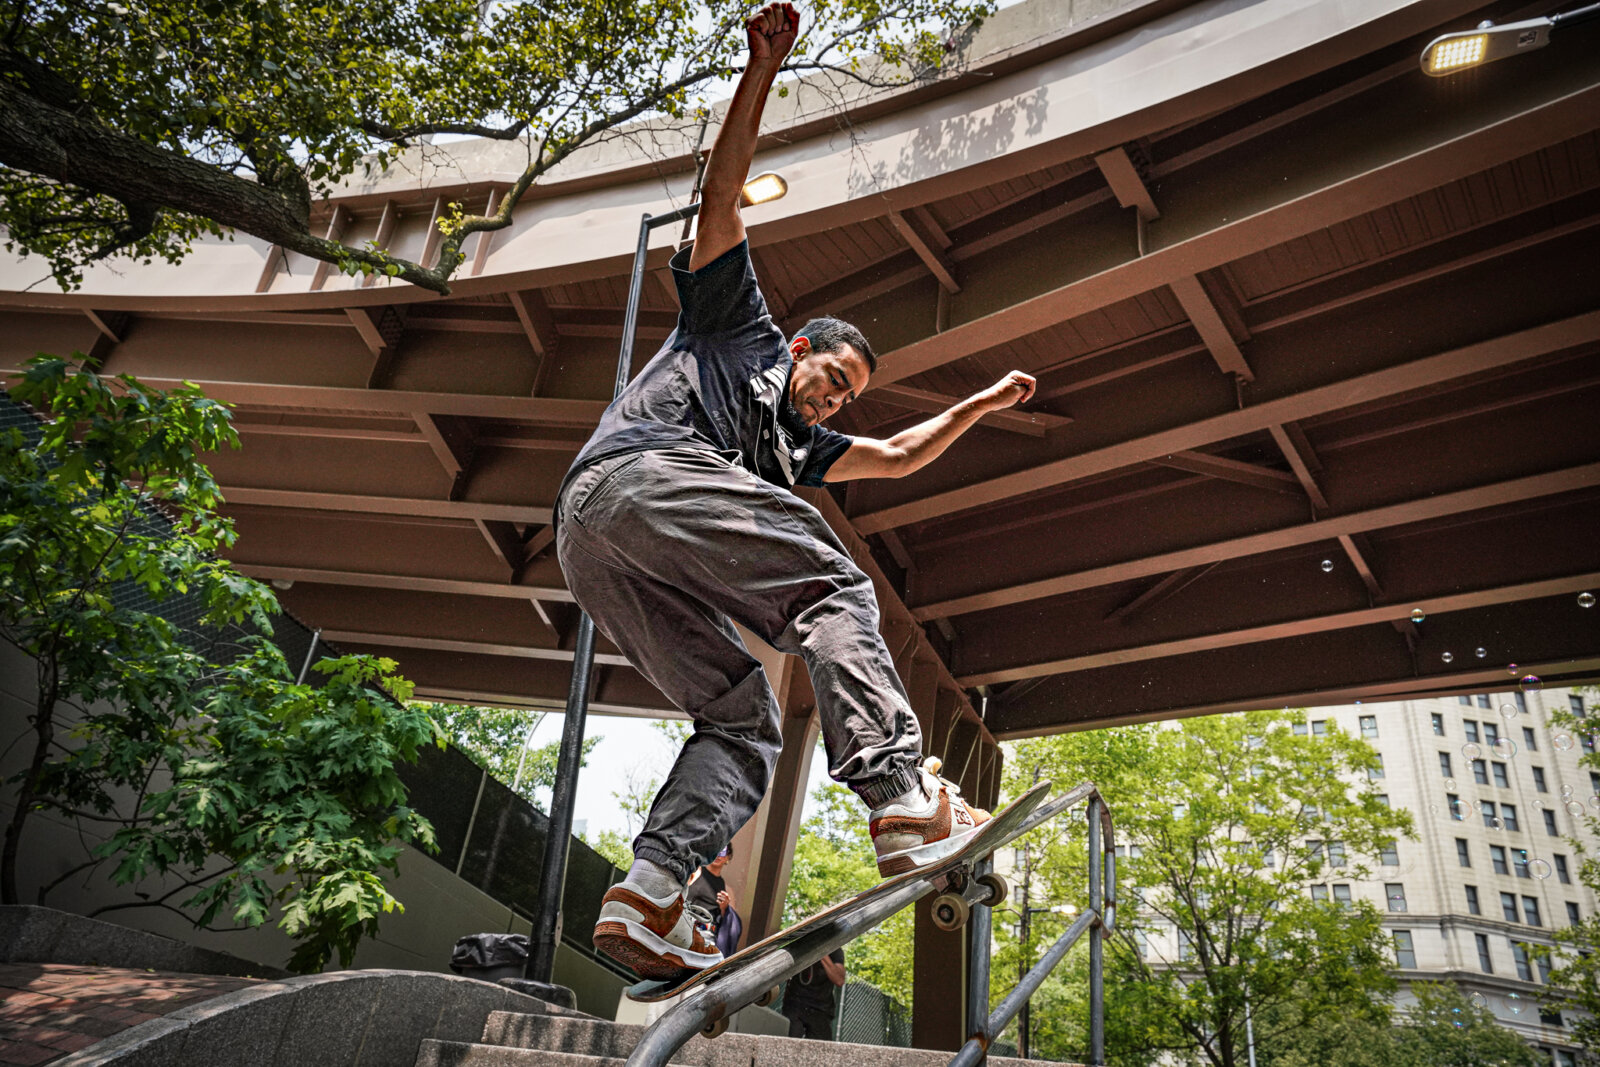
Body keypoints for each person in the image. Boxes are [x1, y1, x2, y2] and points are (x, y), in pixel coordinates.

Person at [561, 1, 1037, 980]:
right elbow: (724, 197)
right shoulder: (743, 328)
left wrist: (978, 405)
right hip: (642, 468)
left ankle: (653, 888)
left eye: (848, 396)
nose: (833, 399)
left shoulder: (792, 447)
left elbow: (898, 455)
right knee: (834, 585)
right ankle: (902, 795)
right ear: (806, 350)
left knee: (743, 718)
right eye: (833, 379)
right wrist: (761, 72)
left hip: (598, 543)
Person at [686, 844, 742, 957]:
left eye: (723, 852)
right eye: (716, 850)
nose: (718, 855)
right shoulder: (696, 871)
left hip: (707, 936)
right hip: (686, 926)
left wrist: (724, 908)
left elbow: (729, 923)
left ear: (728, 857)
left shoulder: (727, 889)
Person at [782, 947, 845, 1040]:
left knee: (821, 1048)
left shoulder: (835, 950)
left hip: (821, 1008)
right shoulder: (800, 945)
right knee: (791, 1041)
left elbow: (839, 980)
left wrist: (821, 952)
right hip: (795, 1004)